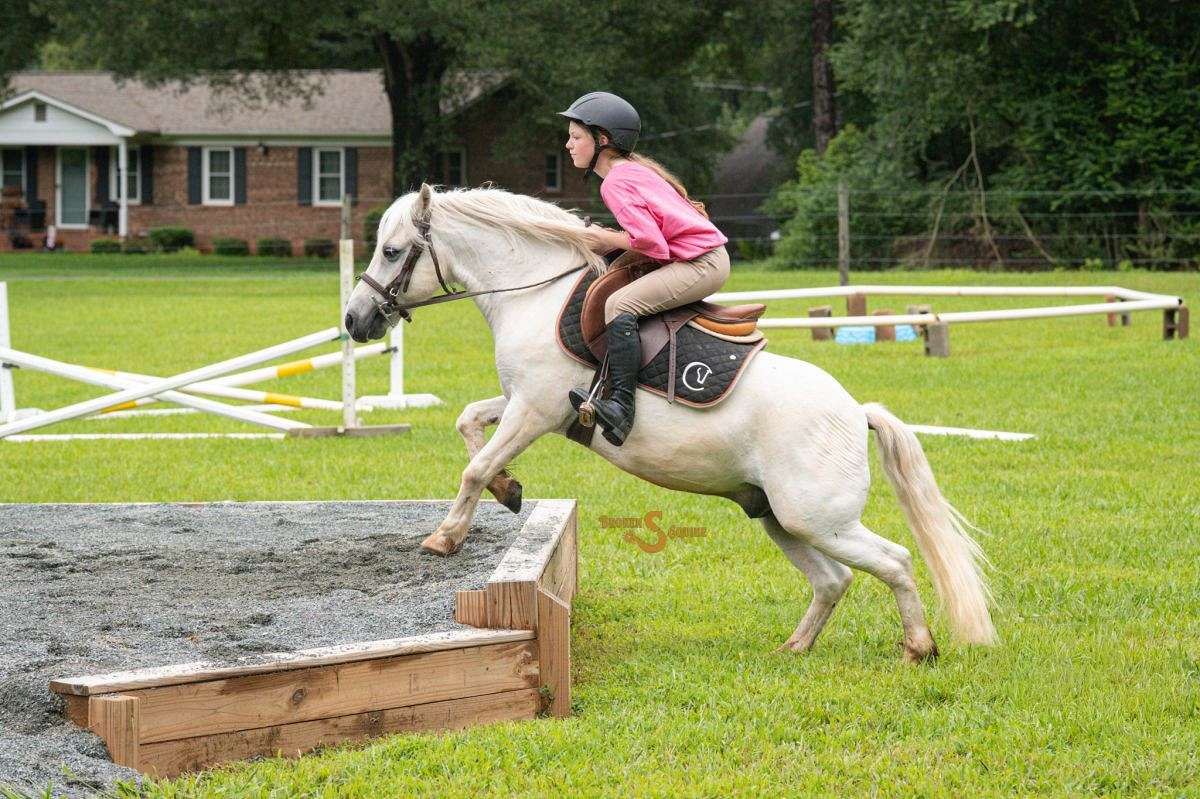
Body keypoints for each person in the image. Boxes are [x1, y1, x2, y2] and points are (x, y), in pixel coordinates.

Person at [558, 91, 731, 447]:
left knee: (619, 305)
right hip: (701, 258)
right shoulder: (629, 171)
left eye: (576, 137)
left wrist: (605, 239)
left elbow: (652, 245)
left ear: (602, 140)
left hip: (701, 264)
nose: (568, 145)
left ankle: (621, 408)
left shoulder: (616, 182)